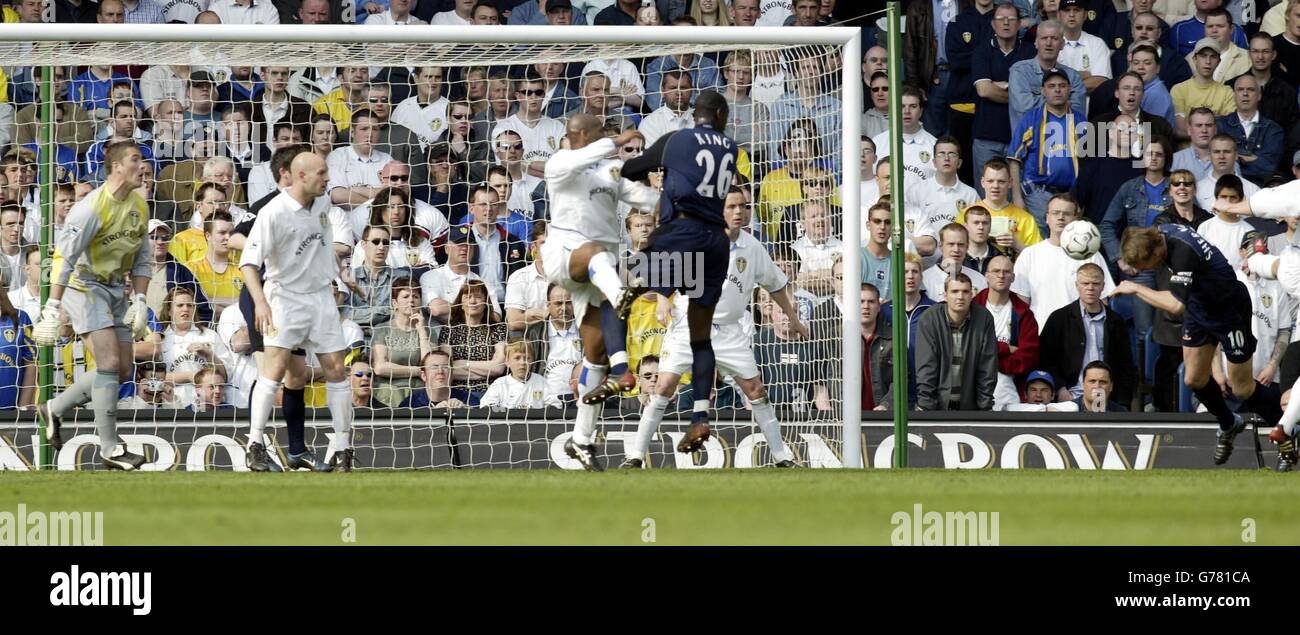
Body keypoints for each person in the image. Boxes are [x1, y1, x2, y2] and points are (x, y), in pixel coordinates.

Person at [623, 186, 807, 469]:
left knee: (756, 390)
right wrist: (662, 299)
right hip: (689, 325)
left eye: (743, 207)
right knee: (664, 385)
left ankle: (782, 457)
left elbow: (776, 284)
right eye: (731, 206)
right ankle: (635, 456)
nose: (738, 212)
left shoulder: (752, 247)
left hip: (730, 332)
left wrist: (793, 318)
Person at [619, 90, 739, 456]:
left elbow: (631, 169)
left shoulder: (676, 138)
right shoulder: (731, 148)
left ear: (696, 113)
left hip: (679, 233)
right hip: (714, 241)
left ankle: (618, 371)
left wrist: (653, 180)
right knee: (700, 338)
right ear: (719, 115)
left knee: (621, 287)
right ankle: (700, 415)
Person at [536, 114, 658, 470]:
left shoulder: (610, 170)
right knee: (600, 258)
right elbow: (585, 156)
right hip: (566, 257)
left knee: (595, 356)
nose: (606, 139)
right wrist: (618, 141)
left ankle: (582, 440)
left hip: (598, 275)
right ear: (582, 135)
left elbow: (640, 196)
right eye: (600, 134)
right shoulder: (561, 163)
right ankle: (620, 297)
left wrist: (672, 200)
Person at [1116, 223, 1283, 464]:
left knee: (1241, 388)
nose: (1147, 270)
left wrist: (1135, 288)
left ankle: (1287, 423)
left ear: (1157, 252)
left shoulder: (1183, 252)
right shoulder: (1159, 232)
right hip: (1199, 308)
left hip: (1229, 309)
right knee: (1193, 379)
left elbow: (1175, 305)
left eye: (1146, 266)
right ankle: (1229, 423)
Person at [33, 140, 152, 470]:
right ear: (116, 167)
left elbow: (142, 259)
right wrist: (52, 306)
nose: (142, 166)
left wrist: (140, 299)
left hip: (116, 288)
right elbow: (64, 257)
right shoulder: (89, 208)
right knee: (109, 362)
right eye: (135, 160)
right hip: (84, 286)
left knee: (123, 368)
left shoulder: (139, 207)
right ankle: (110, 448)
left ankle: (54, 408)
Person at [239, 152, 353, 472]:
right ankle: (255, 445)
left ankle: (342, 448)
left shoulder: (323, 205)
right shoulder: (273, 211)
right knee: (274, 372)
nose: (327, 178)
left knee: (336, 369)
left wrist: (343, 275)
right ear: (300, 176)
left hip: (320, 298)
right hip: (284, 298)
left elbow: (325, 248)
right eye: (321, 173)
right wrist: (261, 303)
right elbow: (248, 263)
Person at [1038, 262, 1137, 406]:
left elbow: (1125, 364)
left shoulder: (1116, 321)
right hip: (1070, 396)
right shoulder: (1059, 318)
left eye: (1095, 284)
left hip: (1107, 399)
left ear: (1103, 286)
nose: (1090, 288)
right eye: (1085, 283)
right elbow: (1046, 359)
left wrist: (1121, 401)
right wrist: (1060, 389)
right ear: (1077, 285)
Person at [914, 273, 999, 411]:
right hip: (936, 406)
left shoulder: (984, 318)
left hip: (971, 406)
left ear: (972, 295)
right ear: (945, 295)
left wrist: (985, 407)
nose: (960, 296)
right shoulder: (930, 318)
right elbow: (926, 367)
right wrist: (926, 406)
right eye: (955, 291)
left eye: (965, 291)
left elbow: (987, 366)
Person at [479, 340, 552, 409]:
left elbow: (554, 405)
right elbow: (486, 407)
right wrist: (508, 412)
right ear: (507, 362)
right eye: (517, 358)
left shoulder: (541, 382)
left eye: (527, 358)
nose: (522, 362)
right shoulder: (500, 384)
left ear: (532, 361)